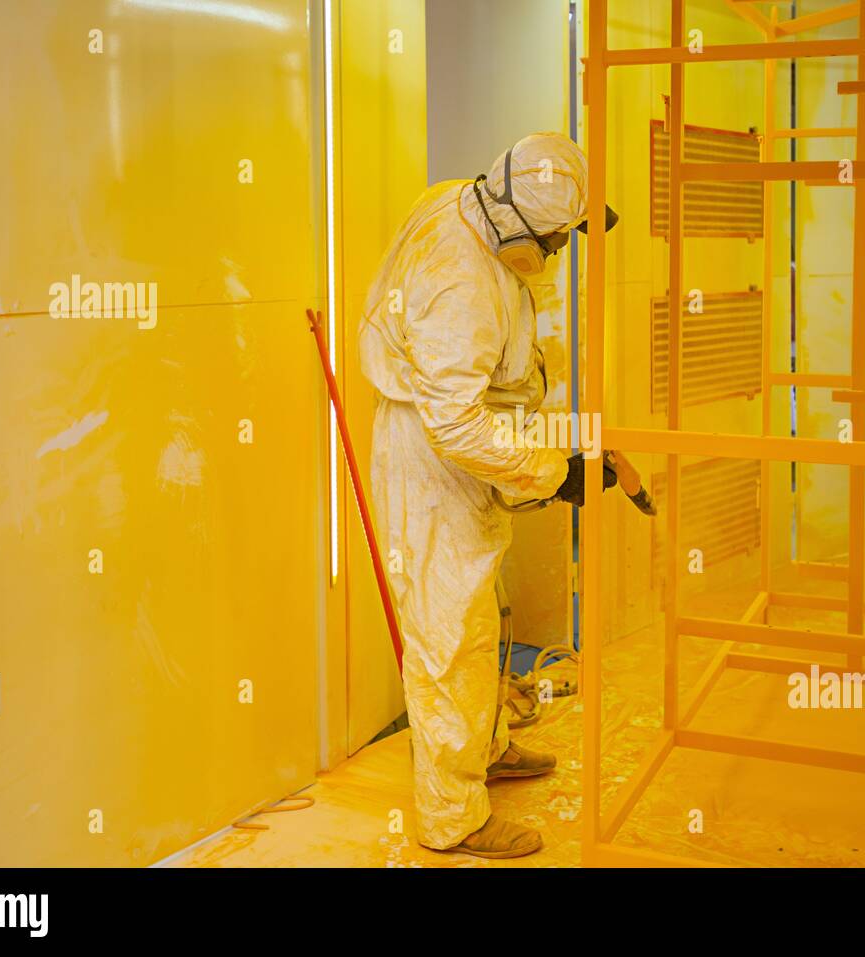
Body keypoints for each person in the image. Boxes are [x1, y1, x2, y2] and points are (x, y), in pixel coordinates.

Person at [358, 132, 617, 859]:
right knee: (447, 636)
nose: (563, 247)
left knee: (478, 609)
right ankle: (451, 818)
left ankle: (487, 747)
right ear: (519, 226)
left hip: (455, 436)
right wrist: (553, 474)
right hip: (431, 455)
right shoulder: (458, 285)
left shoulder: (460, 197)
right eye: (559, 236)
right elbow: (456, 426)